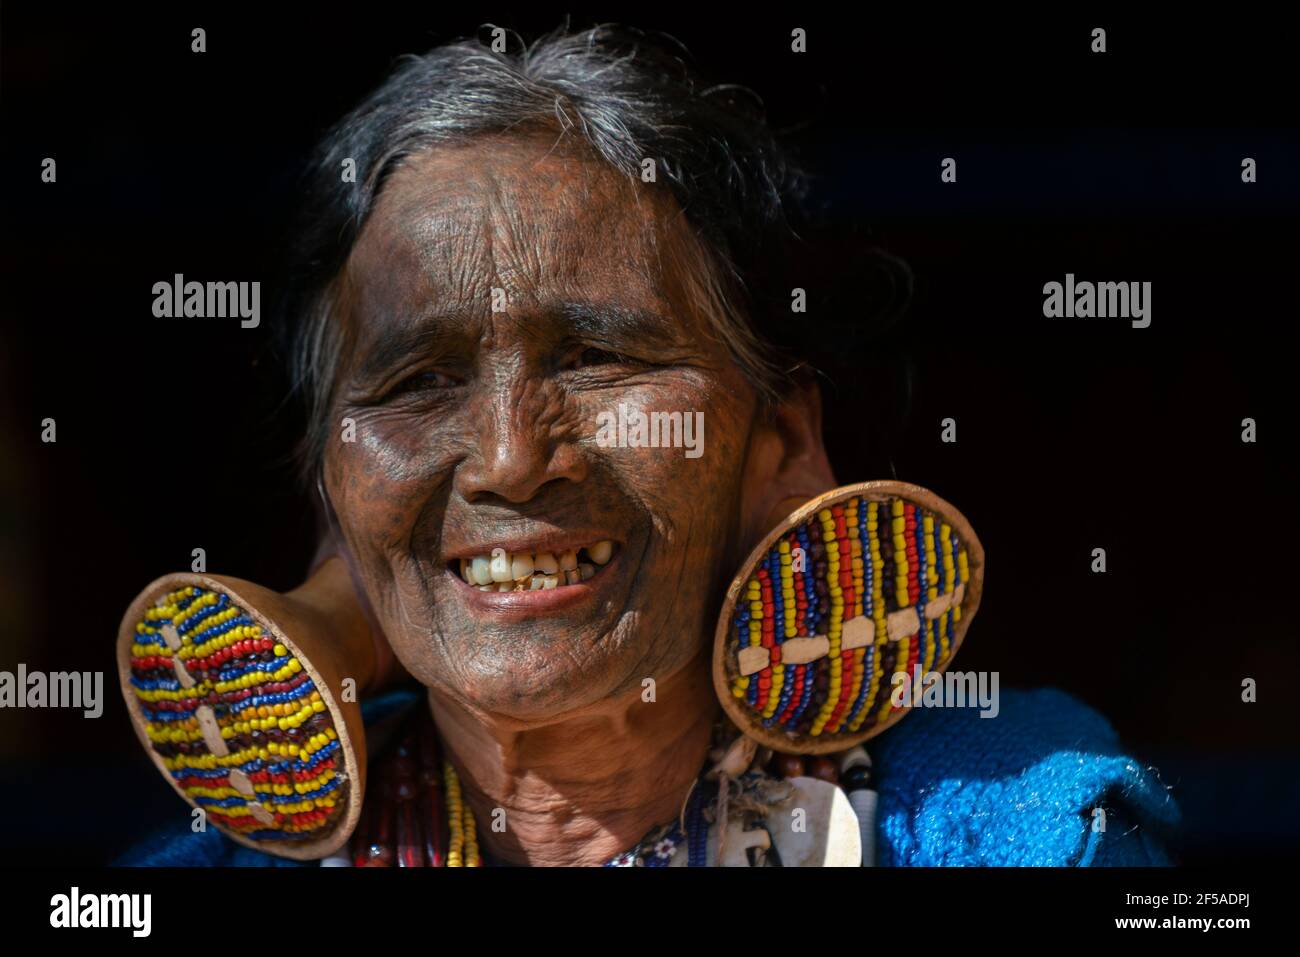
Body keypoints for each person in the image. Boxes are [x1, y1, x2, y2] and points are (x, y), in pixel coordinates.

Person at [119, 24, 1178, 867]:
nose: (507, 460)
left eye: (595, 358)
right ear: (333, 486)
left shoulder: (1022, 831)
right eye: (418, 382)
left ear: (783, 441)